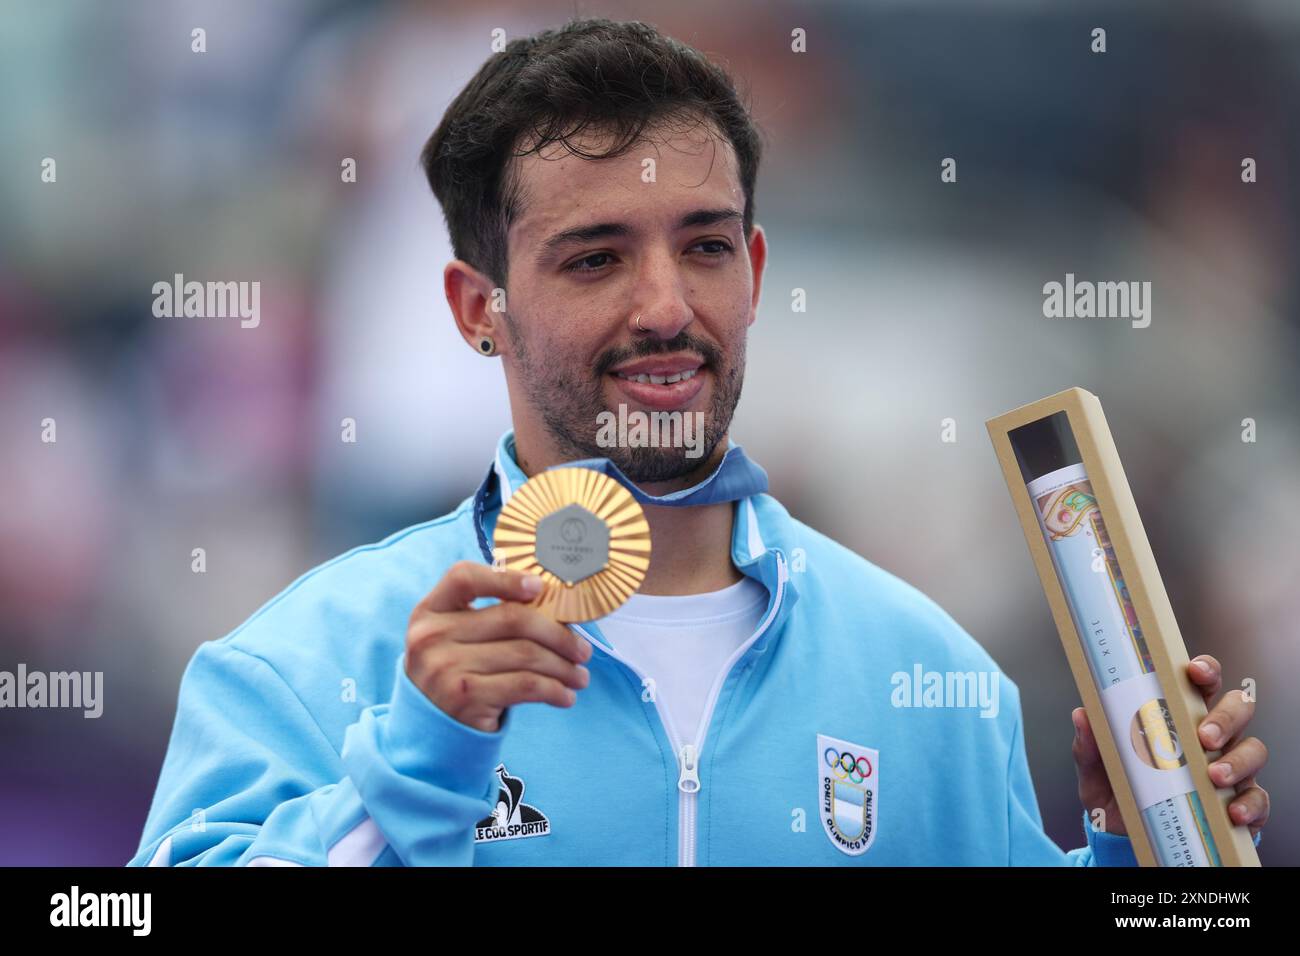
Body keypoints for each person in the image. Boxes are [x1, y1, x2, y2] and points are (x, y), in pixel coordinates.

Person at [129, 17, 1268, 867]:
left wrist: (1143, 848)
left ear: (758, 274)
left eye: (707, 246)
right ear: (478, 308)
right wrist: (413, 769)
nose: (666, 305)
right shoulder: (294, 667)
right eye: (595, 257)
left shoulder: (931, 675)